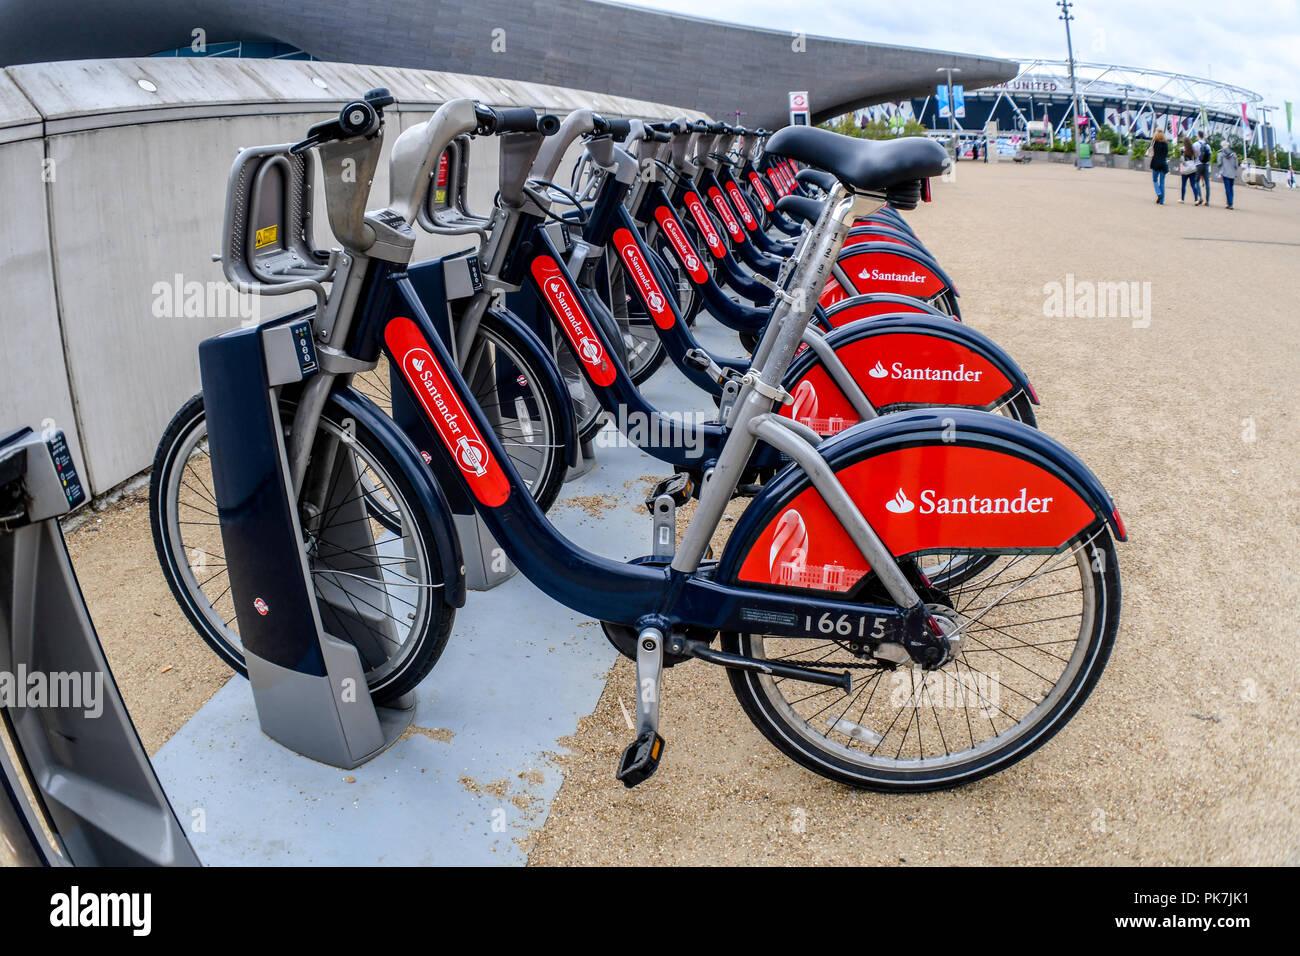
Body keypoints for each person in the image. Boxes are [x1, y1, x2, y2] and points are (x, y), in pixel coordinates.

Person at [1179, 138, 1202, 203]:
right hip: (1192, 169)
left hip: (1185, 169)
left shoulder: (1182, 149)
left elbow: (1181, 160)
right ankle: (1196, 199)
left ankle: (1182, 199)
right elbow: (1196, 157)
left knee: (1183, 185)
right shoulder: (1192, 149)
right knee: (1193, 185)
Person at [1150, 128, 1169, 204]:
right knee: (1162, 183)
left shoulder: (1155, 143)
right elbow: (1166, 154)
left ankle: (1159, 193)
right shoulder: (1166, 144)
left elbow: (1152, 152)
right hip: (1163, 164)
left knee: (1155, 180)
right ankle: (1161, 201)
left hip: (1155, 163)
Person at [1194, 133, 1212, 205]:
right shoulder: (1207, 145)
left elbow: (1194, 154)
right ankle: (1207, 200)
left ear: (1198, 136)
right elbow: (1209, 156)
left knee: (1196, 181)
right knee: (1207, 183)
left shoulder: (1195, 144)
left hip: (1198, 164)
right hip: (1206, 165)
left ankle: (1200, 197)